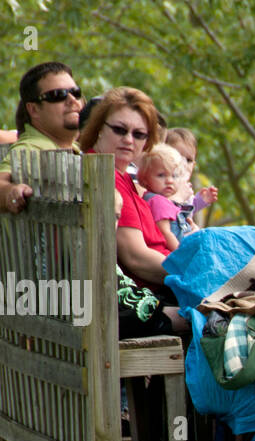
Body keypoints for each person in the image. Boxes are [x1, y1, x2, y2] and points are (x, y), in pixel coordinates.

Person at [77, 87, 179, 321]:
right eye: (120, 130)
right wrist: (193, 272)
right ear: (99, 128)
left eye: (139, 134)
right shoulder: (104, 177)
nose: (128, 140)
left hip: (160, 286)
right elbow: (137, 258)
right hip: (142, 299)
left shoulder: (123, 176)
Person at [0, 62, 83, 215]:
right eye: (57, 95)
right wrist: (11, 192)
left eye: (75, 92)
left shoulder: (72, 145)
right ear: (34, 110)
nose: (72, 100)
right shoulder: (33, 148)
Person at [164, 127, 218, 239]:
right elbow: (164, 207)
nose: (183, 164)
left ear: (193, 165)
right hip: (170, 238)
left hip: (185, 234)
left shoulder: (186, 188)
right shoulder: (164, 185)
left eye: (189, 160)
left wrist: (200, 201)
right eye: (178, 157)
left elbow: (187, 209)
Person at [138, 144, 187, 252]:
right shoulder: (158, 201)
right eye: (161, 175)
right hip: (175, 253)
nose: (169, 180)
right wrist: (182, 255)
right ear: (145, 178)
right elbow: (165, 232)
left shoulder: (156, 199)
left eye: (174, 176)